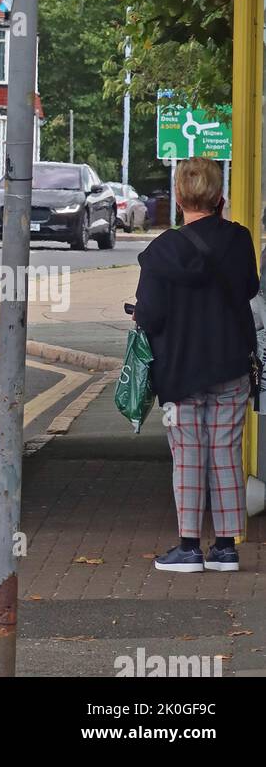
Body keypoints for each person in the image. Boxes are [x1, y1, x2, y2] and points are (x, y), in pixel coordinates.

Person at [134, 157, 259, 574]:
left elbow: (150, 317)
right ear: (219, 197)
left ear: (179, 197)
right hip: (230, 365)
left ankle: (188, 547)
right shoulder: (239, 241)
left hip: (180, 372)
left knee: (187, 454)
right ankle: (225, 548)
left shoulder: (160, 252)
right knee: (225, 452)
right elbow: (249, 289)